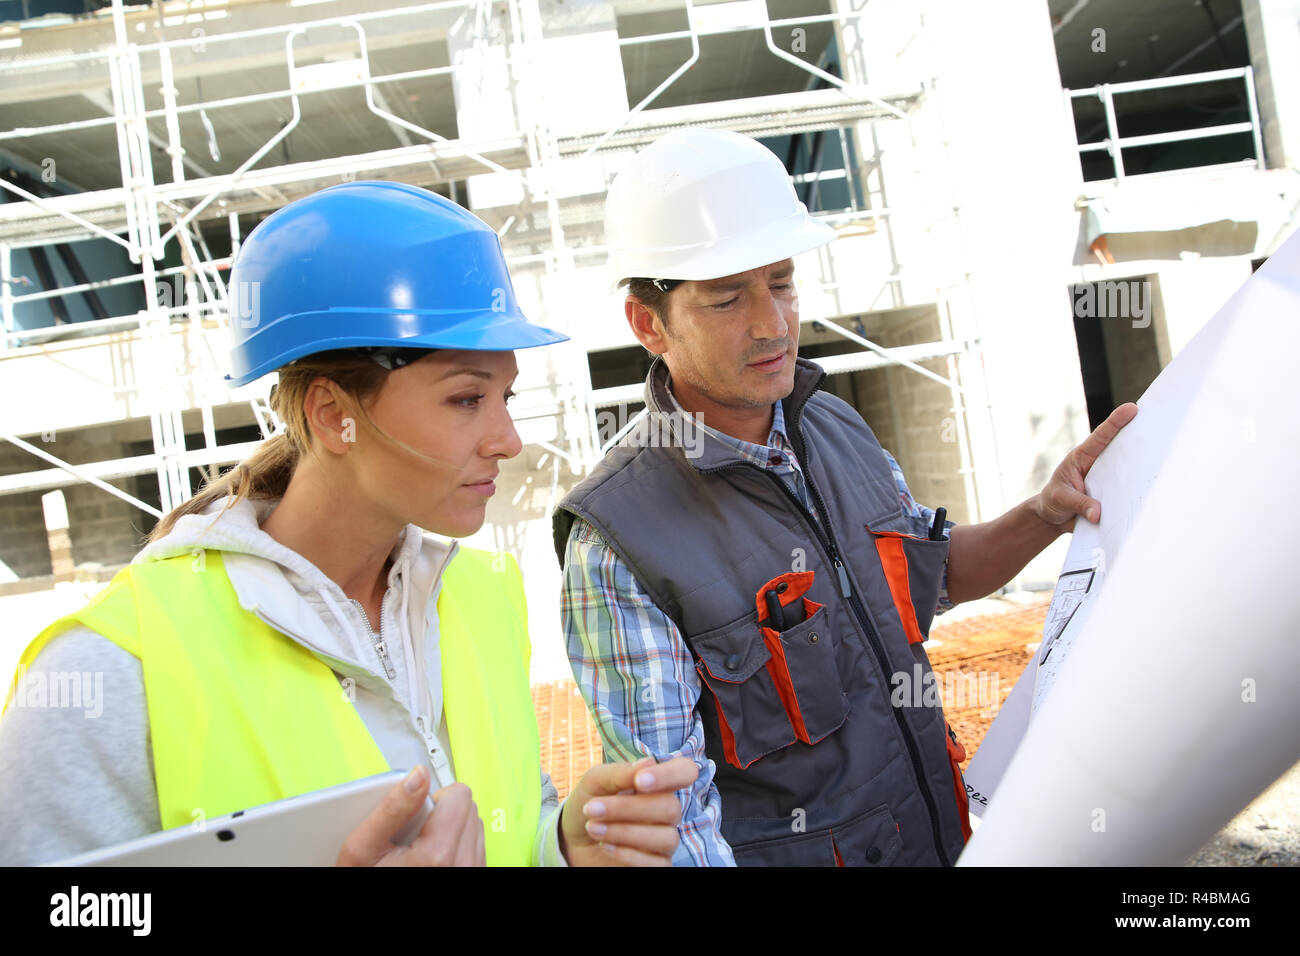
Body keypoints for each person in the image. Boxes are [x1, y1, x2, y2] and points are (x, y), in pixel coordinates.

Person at [0, 180, 696, 867]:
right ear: (332, 414)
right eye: (465, 399)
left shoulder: (480, 598)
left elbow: (506, 824)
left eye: (504, 396)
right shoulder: (115, 667)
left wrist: (562, 845)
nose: (507, 440)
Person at [553, 129, 1136, 866]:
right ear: (649, 324)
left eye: (783, 281)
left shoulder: (832, 423)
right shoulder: (620, 540)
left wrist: (1044, 515)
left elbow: (928, 580)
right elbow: (673, 825)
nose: (772, 323)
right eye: (729, 298)